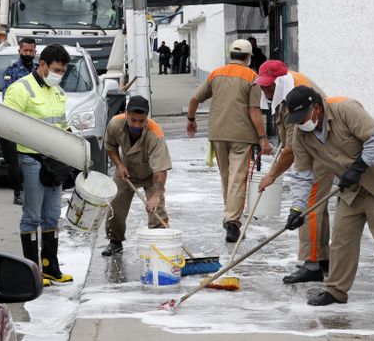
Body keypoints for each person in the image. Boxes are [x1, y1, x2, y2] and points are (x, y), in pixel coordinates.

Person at [284, 85, 374, 317]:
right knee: (342, 239)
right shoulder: (301, 134)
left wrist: (359, 167)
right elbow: (303, 175)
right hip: (350, 188)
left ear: (316, 108)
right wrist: (297, 208)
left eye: (302, 116)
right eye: (295, 119)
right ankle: (336, 291)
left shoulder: (345, 109)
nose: (300, 123)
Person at [187, 39, 272, 242]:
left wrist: (191, 120)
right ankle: (233, 223)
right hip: (241, 135)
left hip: (218, 133)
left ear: (230, 55)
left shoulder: (216, 73)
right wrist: (263, 138)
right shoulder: (252, 76)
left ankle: (229, 217)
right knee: (237, 179)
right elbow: (253, 110)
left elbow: (194, 99)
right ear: (249, 56)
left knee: (227, 177)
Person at [255, 60, 332, 283]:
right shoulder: (284, 88)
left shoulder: (296, 98)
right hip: (314, 151)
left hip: (318, 154)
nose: (265, 91)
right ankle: (323, 258)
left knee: (308, 206)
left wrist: (271, 175)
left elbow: (291, 150)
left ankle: (312, 264)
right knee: (318, 207)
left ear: (279, 82)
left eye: (269, 87)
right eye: (262, 86)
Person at [3, 44, 73, 287]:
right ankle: (32, 271)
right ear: (42, 65)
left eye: (62, 71)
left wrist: (73, 159)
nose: (59, 75)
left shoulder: (58, 92)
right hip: (30, 160)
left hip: (54, 163)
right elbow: (5, 128)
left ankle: (50, 267)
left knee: (52, 216)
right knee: (32, 217)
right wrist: (12, 166)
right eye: (55, 70)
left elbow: (63, 129)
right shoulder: (20, 89)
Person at [101, 95, 172, 256]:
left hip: (150, 175)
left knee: (157, 208)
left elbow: (161, 170)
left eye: (141, 121)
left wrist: (155, 195)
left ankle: (160, 241)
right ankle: (115, 241)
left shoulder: (155, 134)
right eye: (133, 120)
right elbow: (110, 146)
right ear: (126, 114)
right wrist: (119, 165)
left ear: (146, 118)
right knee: (115, 206)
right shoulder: (115, 124)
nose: (137, 125)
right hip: (125, 172)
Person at [0, 37, 38, 206]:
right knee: (17, 161)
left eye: (31, 51)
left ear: (35, 52)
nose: (28, 54)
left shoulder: (39, 70)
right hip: (17, 122)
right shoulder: (11, 71)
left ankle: (33, 190)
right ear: (20, 51)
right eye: (25, 51)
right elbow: (8, 97)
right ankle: (18, 192)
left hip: (36, 121)